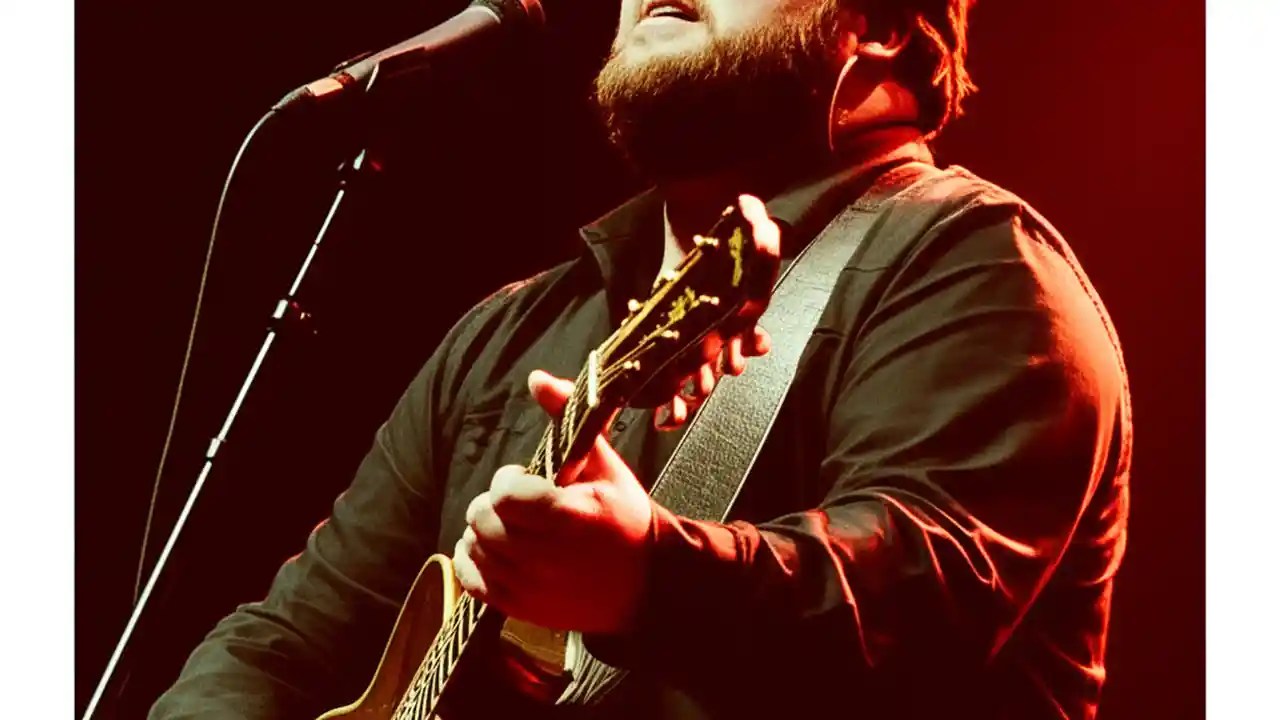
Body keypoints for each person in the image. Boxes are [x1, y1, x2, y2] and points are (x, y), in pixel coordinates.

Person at [151, 0, 1131, 718]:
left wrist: (650, 579)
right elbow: (286, 643)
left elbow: (922, 600)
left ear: (874, 24)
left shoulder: (971, 266)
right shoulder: (512, 329)